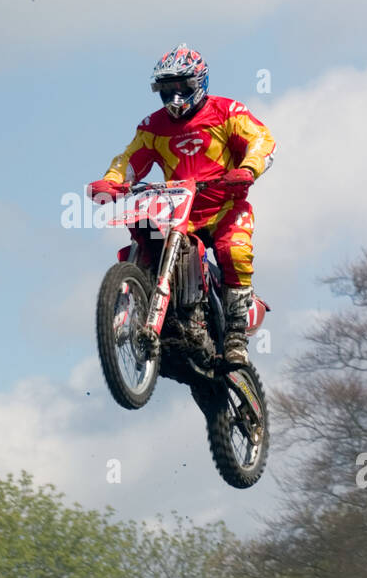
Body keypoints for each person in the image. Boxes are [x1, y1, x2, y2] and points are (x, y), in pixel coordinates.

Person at [88, 44, 276, 365]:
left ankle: (234, 336)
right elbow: (130, 158)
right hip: (179, 212)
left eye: (182, 88)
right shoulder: (152, 126)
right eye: (167, 90)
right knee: (144, 233)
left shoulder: (228, 111)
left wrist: (247, 168)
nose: (175, 97)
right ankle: (135, 309)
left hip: (225, 206)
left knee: (235, 250)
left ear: (199, 83)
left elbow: (261, 139)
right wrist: (113, 180)